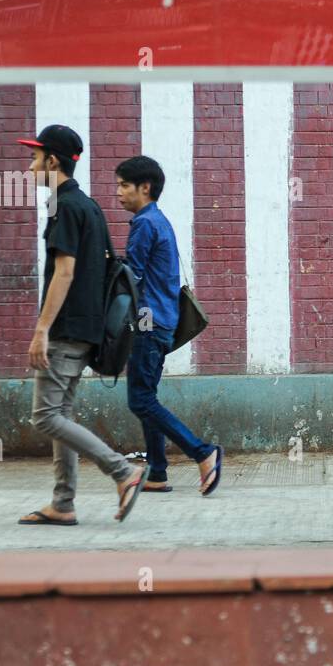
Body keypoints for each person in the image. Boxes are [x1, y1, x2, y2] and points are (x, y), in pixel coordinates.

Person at [16, 125, 148, 525]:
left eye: (35, 157)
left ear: (53, 161)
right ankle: (63, 503)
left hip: (66, 329)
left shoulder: (63, 207)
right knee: (62, 415)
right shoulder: (88, 206)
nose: (30, 165)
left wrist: (41, 329)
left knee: (45, 417)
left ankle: (123, 472)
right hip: (88, 329)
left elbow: (65, 272)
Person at [115, 156, 223, 496]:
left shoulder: (145, 223)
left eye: (123, 185)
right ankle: (158, 472)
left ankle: (203, 453)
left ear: (144, 188)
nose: (117, 192)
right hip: (160, 321)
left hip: (148, 322)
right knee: (147, 397)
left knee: (140, 401)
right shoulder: (157, 220)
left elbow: (132, 276)